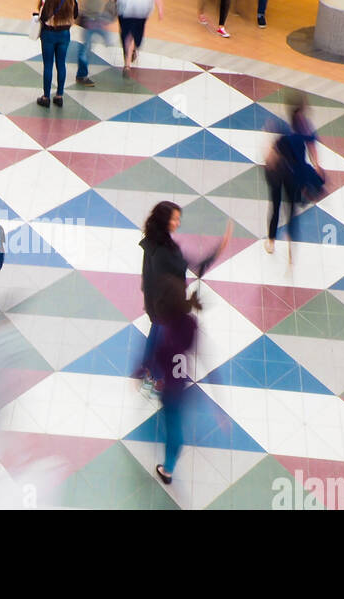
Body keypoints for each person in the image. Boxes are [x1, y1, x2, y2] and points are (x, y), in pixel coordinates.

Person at [134, 202, 230, 389]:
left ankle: (147, 370)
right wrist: (218, 249)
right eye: (175, 219)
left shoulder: (153, 240)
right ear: (164, 220)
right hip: (164, 306)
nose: (178, 223)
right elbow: (190, 266)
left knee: (155, 333)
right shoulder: (165, 253)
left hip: (155, 302)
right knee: (164, 340)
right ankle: (156, 379)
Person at [152, 275, 201, 485]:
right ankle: (169, 464)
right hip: (180, 383)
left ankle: (168, 469)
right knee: (175, 420)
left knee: (174, 429)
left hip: (170, 389)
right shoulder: (190, 324)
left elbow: (158, 362)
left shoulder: (166, 339)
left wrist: (157, 378)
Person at [263, 94, 324, 259]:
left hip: (280, 173)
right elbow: (312, 146)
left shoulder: (284, 128)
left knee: (277, 207)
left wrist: (270, 160)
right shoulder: (303, 128)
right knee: (289, 209)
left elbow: (272, 152)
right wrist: (317, 167)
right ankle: (288, 244)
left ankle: (272, 241)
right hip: (293, 174)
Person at [34, 0, 79, 108]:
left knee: (48, 65)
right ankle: (59, 96)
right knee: (61, 64)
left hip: (49, 34)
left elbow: (43, 17)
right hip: (64, 34)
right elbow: (76, 15)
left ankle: (46, 97)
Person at [115, 0, 164, 78]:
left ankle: (127, 64)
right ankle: (133, 49)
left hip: (126, 5)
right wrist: (160, 7)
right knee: (135, 33)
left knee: (126, 34)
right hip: (142, 8)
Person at [74, 0, 112, 87]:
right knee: (86, 48)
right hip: (91, 17)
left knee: (86, 46)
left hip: (91, 16)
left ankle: (82, 74)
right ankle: (81, 75)